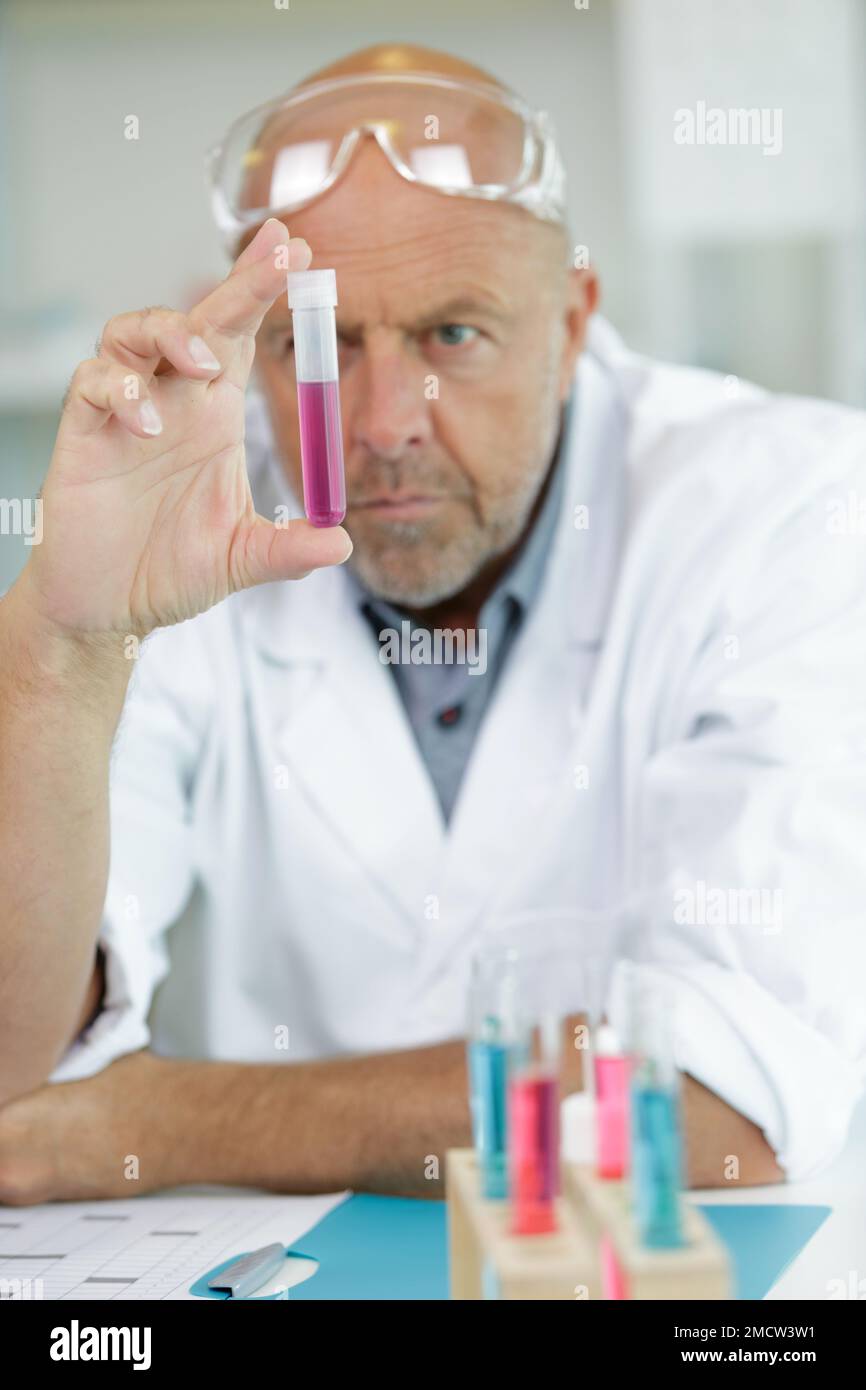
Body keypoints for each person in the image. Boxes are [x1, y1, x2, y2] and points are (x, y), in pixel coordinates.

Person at [1, 43, 864, 1206]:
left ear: (571, 322)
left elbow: (723, 1104)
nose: (383, 421)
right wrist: (65, 643)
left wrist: (152, 1120)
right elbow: (14, 1059)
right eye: (322, 345)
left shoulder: (783, 504)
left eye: (453, 335)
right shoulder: (197, 509)